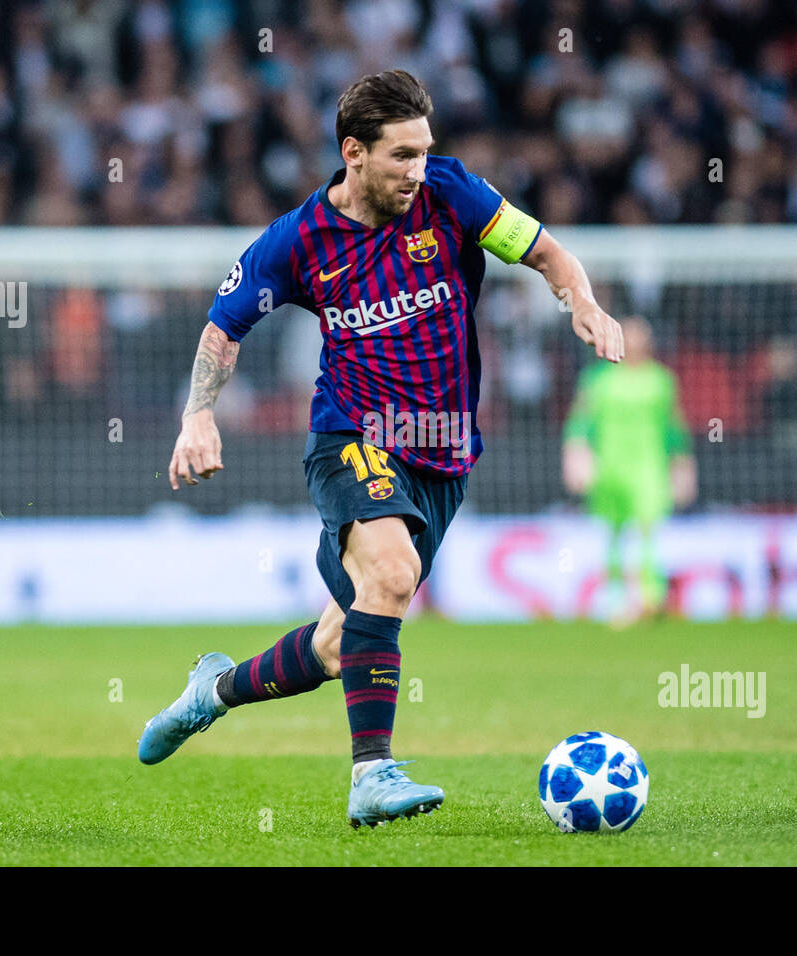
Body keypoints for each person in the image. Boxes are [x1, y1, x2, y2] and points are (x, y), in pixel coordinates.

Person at [137, 70, 625, 827]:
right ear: (353, 152)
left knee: (340, 644)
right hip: (353, 439)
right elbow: (222, 327)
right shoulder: (298, 240)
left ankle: (213, 691)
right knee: (393, 574)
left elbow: (547, 254)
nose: (417, 170)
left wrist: (584, 303)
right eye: (401, 155)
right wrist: (197, 417)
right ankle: (372, 776)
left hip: (444, 457)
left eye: (425, 151)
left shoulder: (452, 196)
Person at [562, 316, 696, 626]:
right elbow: (579, 422)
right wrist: (575, 458)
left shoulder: (661, 380)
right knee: (614, 532)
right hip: (610, 466)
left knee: (648, 530)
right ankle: (616, 600)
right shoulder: (598, 379)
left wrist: (683, 467)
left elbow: (675, 428)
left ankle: (650, 598)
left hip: (650, 467)